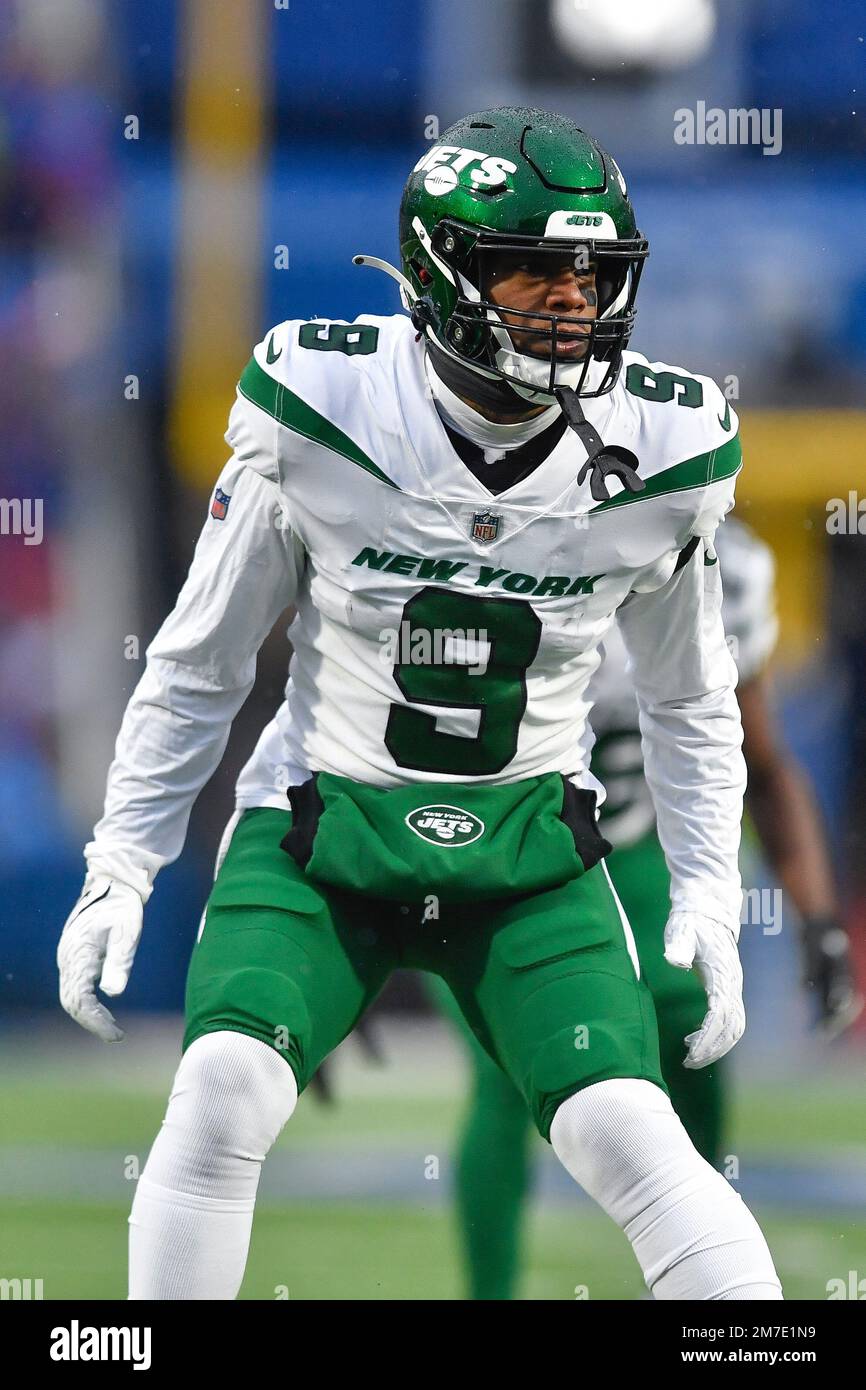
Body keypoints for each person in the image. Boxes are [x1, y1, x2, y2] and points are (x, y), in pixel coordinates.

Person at [57, 106, 782, 1300]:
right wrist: (121, 862)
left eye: (590, 272)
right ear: (443, 276)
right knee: (222, 1090)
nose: (569, 300)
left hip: (528, 846)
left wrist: (706, 886)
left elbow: (689, 696)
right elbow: (198, 661)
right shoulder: (324, 403)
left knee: (631, 1138)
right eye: (533, 269)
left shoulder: (664, 445)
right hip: (320, 828)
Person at [431, 516, 861, 1299]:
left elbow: (761, 764)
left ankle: (701, 1293)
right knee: (504, 1071)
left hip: (651, 860)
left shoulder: (725, 567)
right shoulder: (506, 540)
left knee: (695, 1043)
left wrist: (820, 922)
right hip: (507, 846)